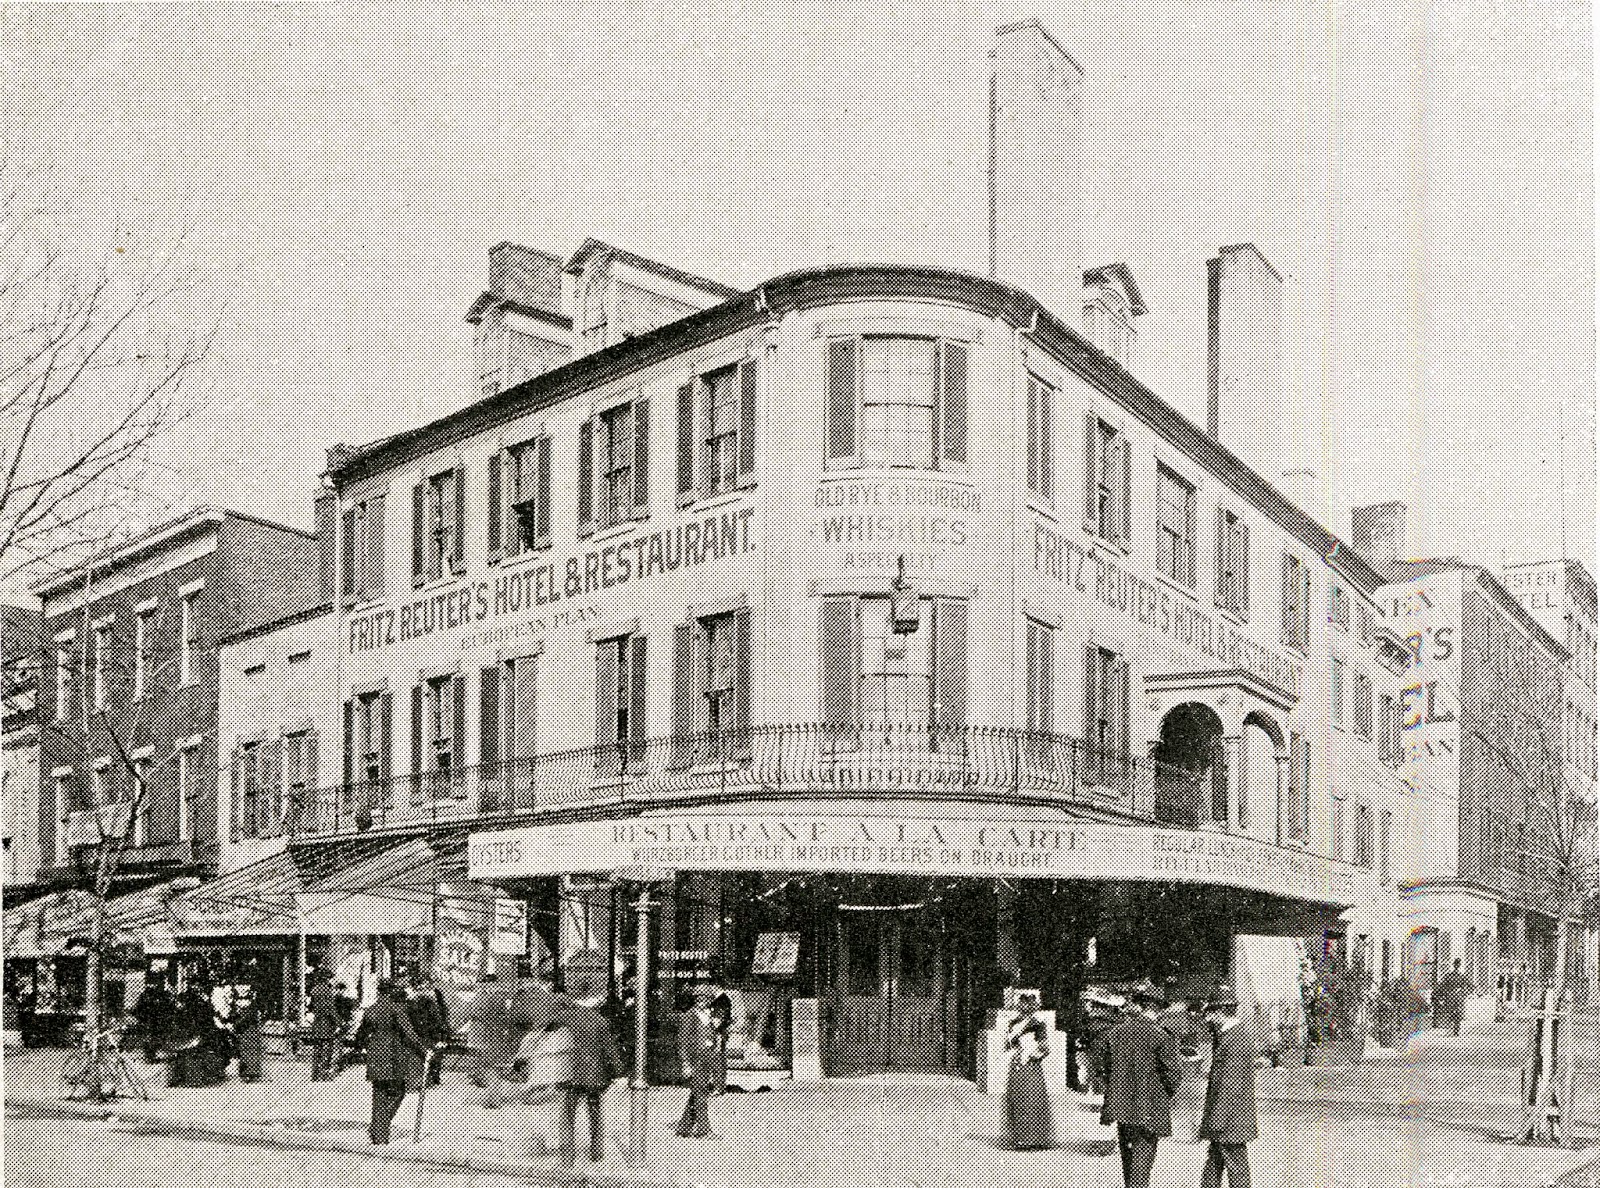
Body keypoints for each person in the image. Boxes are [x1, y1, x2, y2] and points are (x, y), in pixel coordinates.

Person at [1095, 979, 1183, 1188]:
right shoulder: (1161, 1035)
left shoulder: (1114, 1033)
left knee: (1128, 1158)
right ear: (1153, 1007)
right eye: (1160, 1008)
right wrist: (1162, 1096)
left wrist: (1115, 1089)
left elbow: (1101, 1068)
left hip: (1121, 1106)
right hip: (1149, 1107)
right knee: (1143, 1160)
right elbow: (1174, 1074)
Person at [355, 979, 429, 1145]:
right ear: (390, 992)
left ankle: (377, 1130)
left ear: (379, 992)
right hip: (394, 1055)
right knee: (398, 1091)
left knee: (379, 1093)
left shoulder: (370, 1010)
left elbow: (361, 1035)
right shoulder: (396, 1010)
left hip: (375, 1054)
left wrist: (360, 1047)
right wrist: (424, 1051)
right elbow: (409, 1034)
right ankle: (380, 1128)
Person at [1198, 986, 1257, 1188]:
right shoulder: (1230, 1035)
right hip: (1228, 1117)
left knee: (1236, 1167)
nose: (1208, 1019)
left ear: (1221, 1011)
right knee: (1214, 1162)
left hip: (1229, 1118)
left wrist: (1216, 1121)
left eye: (1211, 1013)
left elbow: (1230, 1086)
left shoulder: (1235, 1039)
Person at [555, 998, 624, 1167]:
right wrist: (619, 1071)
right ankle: (596, 1151)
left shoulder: (564, 1018)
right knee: (594, 1111)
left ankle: (567, 1156)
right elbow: (610, 1050)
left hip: (569, 1072)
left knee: (568, 1114)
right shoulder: (600, 1021)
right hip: (594, 1074)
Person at [1003, 993, 1054, 1150]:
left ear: (1033, 1007)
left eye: (1029, 1005)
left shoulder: (1038, 1023)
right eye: (1022, 1004)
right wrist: (1014, 1045)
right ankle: (1020, 1137)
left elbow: (1045, 1047)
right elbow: (1007, 1044)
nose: (1025, 1008)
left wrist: (1035, 1053)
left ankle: (1035, 1138)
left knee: (1032, 1099)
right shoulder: (1013, 1023)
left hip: (1032, 1065)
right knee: (1018, 1098)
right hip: (1018, 1063)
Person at [676, 985, 721, 1138]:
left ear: (709, 1000)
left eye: (705, 999)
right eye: (698, 999)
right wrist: (686, 1064)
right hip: (695, 1060)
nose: (701, 1002)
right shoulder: (689, 1016)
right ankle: (704, 1130)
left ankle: (683, 1127)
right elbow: (682, 1042)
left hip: (707, 1059)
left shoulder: (710, 1016)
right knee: (701, 1093)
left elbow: (714, 1038)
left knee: (698, 1092)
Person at [407, 978, 451, 1085]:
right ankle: (426, 1077)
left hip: (434, 1030)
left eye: (425, 987)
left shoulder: (435, 995)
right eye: (420, 987)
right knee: (423, 1053)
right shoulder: (414, 1001)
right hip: (423, 1030)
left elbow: (443, 1012)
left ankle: (434, 1075)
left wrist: (443, 1030)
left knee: (436, 1054)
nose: (423, 989)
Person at [307, 974, 343, 1081]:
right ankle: (324, 1073)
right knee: (327, 1048)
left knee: (317, 1048)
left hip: (317, 1022)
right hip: (327, 1023)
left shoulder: (314, 990)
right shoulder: (327, 991)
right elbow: (331, 1009)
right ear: (326, 979)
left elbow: (310, 1007)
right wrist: (338, 1023)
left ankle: (315, 1073)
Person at [130, 980, 172, 1064]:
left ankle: (151, 1057)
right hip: (153, 1021)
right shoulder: (155, 996)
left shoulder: (160, 995)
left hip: (153, 1021)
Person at [229, 986, 265, 1083]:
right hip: (247, 1031)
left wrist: (235, 1024)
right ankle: (248, 1072)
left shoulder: (250, 1006)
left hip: (248, 1030)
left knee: (249, 1052)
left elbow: (247, 1018)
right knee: (247, 1052)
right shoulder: (247, 1005)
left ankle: (249, 1073)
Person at [1432, 959, 1471, 1037]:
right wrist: (1465, 993)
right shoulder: (1460, 976)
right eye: (1457, 965)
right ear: (1459, 966)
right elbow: (1470, 986)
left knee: (1452, 1012)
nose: (1457, 966)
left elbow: (1441, 986)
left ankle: (1453, 1027)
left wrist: (1440, 993)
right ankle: (1455, 1028)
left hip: (1451, 997)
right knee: (1456, 1012)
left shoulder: (1450, 976)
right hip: (1457, 997)